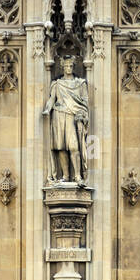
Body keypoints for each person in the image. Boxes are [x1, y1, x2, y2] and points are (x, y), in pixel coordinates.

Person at [43, 56, 89, 184]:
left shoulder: (79, 84)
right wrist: (47, 109)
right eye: (66, 66)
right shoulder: (57, 84)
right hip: (58, 115)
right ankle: (66, 176)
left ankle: (78, 176)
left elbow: (84, 102)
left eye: (71, 66)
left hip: (71, 116)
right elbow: (52, 99)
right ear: (62, 67)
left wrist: (82, 114)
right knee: (61, 147)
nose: (68, 68)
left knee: (74, 147)